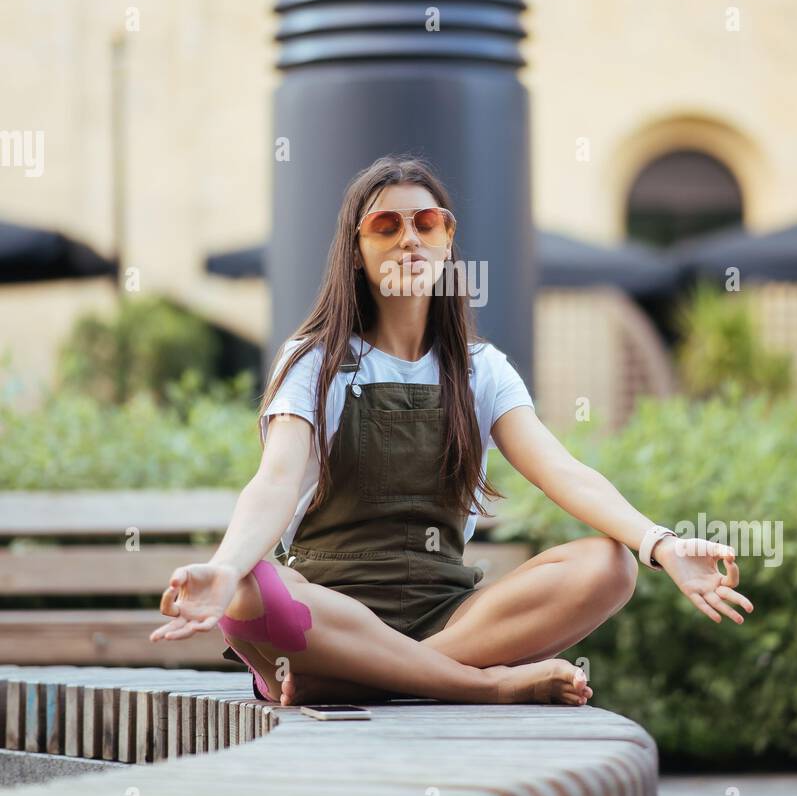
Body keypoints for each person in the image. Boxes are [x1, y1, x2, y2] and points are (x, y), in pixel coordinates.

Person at [150, 154, 752, 707]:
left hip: (449, 616)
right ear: (354, 250)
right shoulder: (314, 359)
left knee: (609, 566)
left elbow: (562, 472)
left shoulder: (480, 368)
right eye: (385, 226)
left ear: (447, 239)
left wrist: (663, 544)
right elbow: (275, 480)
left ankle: (371, 679)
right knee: (252, 593)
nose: (409, 239)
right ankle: (480, 687)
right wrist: (226, 568)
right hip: (328, 612)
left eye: (427, 223)